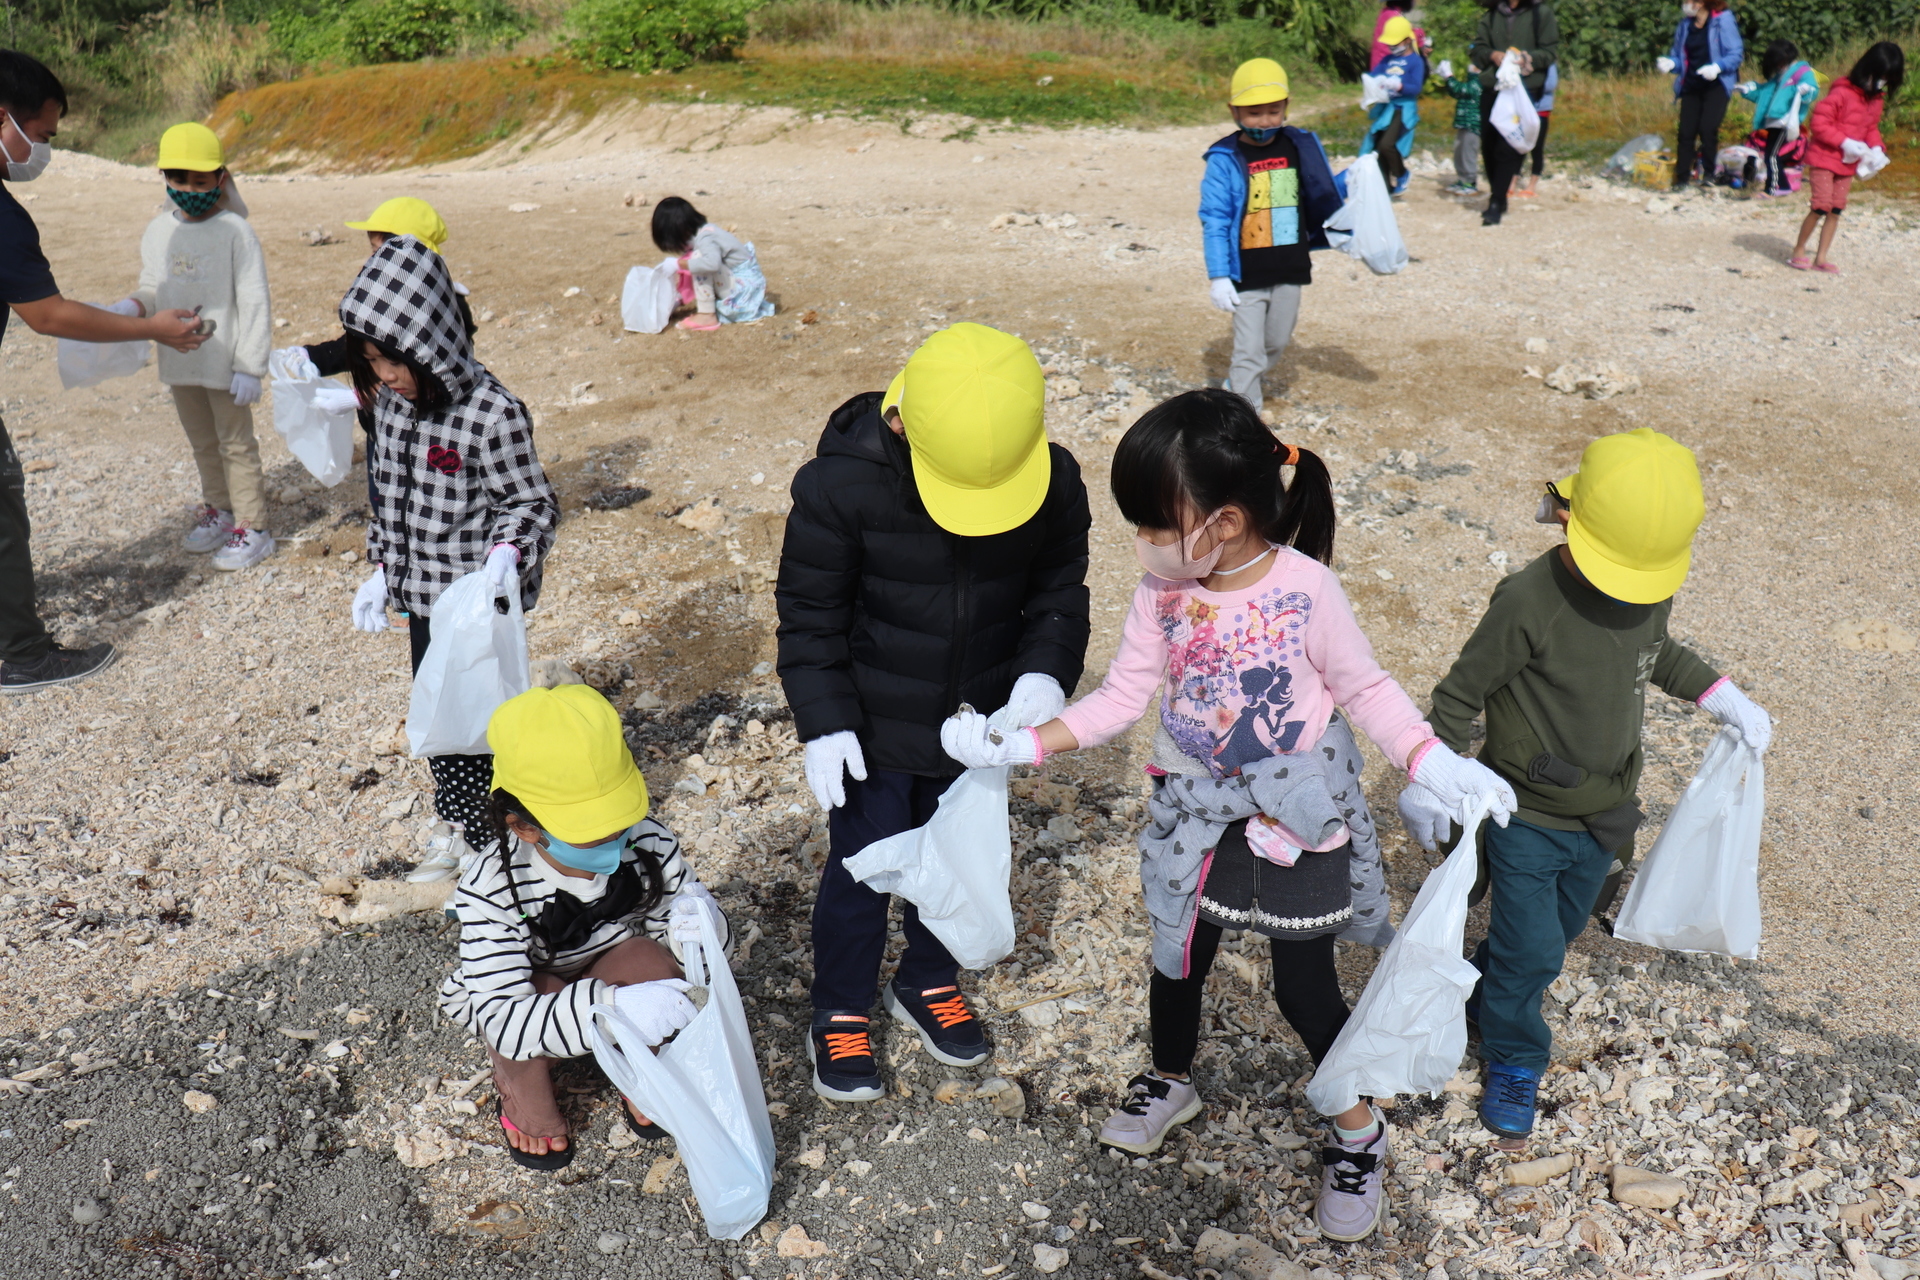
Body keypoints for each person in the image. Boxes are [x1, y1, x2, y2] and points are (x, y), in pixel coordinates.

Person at [942, 388, 1513, 1242]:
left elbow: (1367, 688)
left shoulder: (1307, 591)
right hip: (1195, 812)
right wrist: (1021, 746)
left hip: (1294, 816)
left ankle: (1358, 1127)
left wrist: (1434, 764)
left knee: (1304, 989)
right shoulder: (1160, 596)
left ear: (1228, 521)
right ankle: (1171, 1076)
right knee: (1178, 957)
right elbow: (1124, 695)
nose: (1143, 543)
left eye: (1155, 524)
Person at [1400, 428, 1773, 1145]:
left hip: (1606, 812)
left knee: (1560, 931)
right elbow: (1457, 693)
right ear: (1567, 517)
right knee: (1533, 950)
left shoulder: (1645, 590)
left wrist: (1720, 694)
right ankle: (1514, 1056)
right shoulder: (1528, 602)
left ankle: (1483, 994)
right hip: (1527, 815)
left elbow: (1655, 652)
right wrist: (1427, 771)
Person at [774, 321, 1091, 1104]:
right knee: (862, 871)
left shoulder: (1051, 480)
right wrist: (825, 721)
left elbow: (1059, 592)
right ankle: (841, 1004)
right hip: (873, 730)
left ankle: (926, 978)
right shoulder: (837, 489)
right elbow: (809, 618)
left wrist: (1044, 679)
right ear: (901, 423)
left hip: (977, 728)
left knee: (962, 860)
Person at [439, 683, 729, 1169]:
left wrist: (702, 931)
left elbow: (686, 947)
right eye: (591, 828)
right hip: (530, 994)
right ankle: (526, 1103)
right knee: (535, 996)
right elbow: (502, 1016)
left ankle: (647, 1073)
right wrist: (610, 1008)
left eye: (618, 819)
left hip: (614, 960)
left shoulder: (648, 840)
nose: (615, 837)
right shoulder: (491, 888)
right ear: (523, 827)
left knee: (649, 959)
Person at [339, 235, 558, 874]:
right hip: (422, 597)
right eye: (375, 361)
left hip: (474, 602)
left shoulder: (493, 414)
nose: (385, 375)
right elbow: (388, 495)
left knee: (485, 717)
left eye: (397, 362)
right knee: (437, 709)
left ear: (432, 343)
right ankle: (459, 818)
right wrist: (381, 567)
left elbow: (532, 503)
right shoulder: (393, 408)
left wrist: (508, 555)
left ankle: (499, 832)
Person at [0, 49, 207, 694]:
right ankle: (23, 655)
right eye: (41, 135)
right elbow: (50, 315)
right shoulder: (2, 217)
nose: (43, 151)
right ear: (2, 118)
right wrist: (150, 327)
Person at [109, 123, 274, 571]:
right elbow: (152, 286)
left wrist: (250, 364)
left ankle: (254, 526)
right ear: (165, 178)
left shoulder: (235, 231)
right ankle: (219, 510)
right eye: (179, 181)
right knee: (203, 441)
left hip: (227, 361)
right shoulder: (159, 230)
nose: (189, 190)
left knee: (236, 443)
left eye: (201, 181)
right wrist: (133, 305)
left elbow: (255, 297)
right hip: (180, 358)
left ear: (220, 179)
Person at [1200, 59, 1343, 414]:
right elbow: (1215, 218)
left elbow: (1322, 190)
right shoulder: (1224, 158)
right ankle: (1247, 419)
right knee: (1248, 352)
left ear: (1286, 108)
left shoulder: (1301, 145)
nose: (1264, 121)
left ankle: (1237, 385)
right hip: (1246, 273)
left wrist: (1357, 193)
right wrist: (1219, 275)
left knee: (1276, 342)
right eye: (1253, 112)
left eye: (1273, 111)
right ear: (1234, 110)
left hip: (1290, 265)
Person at [1791, 42, 1902, 274]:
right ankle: (1799, 250)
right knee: (1821, 205)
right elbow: (1819, 123)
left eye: (1887, 78)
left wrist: (1877, 148)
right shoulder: (1842, 93)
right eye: (1881, 76)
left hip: (1847, 163)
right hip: (1824, 158)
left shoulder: (1876, 100)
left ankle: (1821, 257)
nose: (1882, 82)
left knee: (1836, 208)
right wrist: (1844, 141)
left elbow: (1870, 127)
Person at [1469, 0, 1560, 226]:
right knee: (1488, 145)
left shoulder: (1541, 13)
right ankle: (1498, 194)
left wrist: (1526, 59)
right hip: (1493, 86)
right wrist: (1493, 55)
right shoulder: (1492, 14)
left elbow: (1549, 52)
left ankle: (1496, 201)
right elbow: (1477, 49)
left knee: (1507, 147)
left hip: (1525, 89)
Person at [648, 195, 774, 332]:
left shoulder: (706, 238)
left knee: (698, 259)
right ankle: (695, 306)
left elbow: (711, 264)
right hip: (746, 289)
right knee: (692, 260)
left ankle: (707, 315)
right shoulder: (706, 233)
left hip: (743, 294)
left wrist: (678, 264)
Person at [1657, 0, 1743, 189]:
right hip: (1691, 84)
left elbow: (1735, 54)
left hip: (1716, 84)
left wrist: (1718, 67)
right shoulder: (1685, 25)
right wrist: (1672, 64)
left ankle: (1710, 174)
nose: (1685, 4)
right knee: (1686, 132)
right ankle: (1681, 178)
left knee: (1707, 128)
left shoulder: (1723, 20)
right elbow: (1680, 57)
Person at [1737, 40, 1817, 197]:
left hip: (1784, 121)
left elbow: (1812, 89)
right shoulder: (1777, 79)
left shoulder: (1801, 71)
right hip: (1772, 121)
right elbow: (1762, 94)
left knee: (1772, 155)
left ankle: (1772, 188)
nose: (1778, 65)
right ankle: (1784, 186)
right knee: (1771, 155)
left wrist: (1806, 91)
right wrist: (1746, 90)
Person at [1363, 17, 1428, 196]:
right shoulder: (1387, 60)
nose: (1392, 47)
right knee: (1377, 144)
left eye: (1395, 43)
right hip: (1387, 108)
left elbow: (1416, 87)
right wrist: (1372, 86)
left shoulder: (1416, 61)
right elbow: (1374, 76)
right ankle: (1385, 188)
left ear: (1407, 40)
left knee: (1387, 144)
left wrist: (1399, 86)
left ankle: (1402, 173)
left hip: (1403, 109)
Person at [1435, 57, 1485, 194]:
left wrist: (1449, 76)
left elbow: (1462, 89)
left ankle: (1470, 182)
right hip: (1463, 122)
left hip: (1473, 124)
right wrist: (1447, 79)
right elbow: (1456, 92)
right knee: (1459, 151)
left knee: (1468, 153)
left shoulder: (1481, 81)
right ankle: (1462, 179)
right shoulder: (1471, 80)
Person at [1518, 64, 1557, 195]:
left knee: (1537, 148)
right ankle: (1512, 182)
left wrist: (1532, 84)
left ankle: (1531, 185)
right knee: (1518, 146)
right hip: (1523, 108)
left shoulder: (1549, 63)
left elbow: (1551, 84)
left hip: (1541, 110)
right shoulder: (1523, 58)